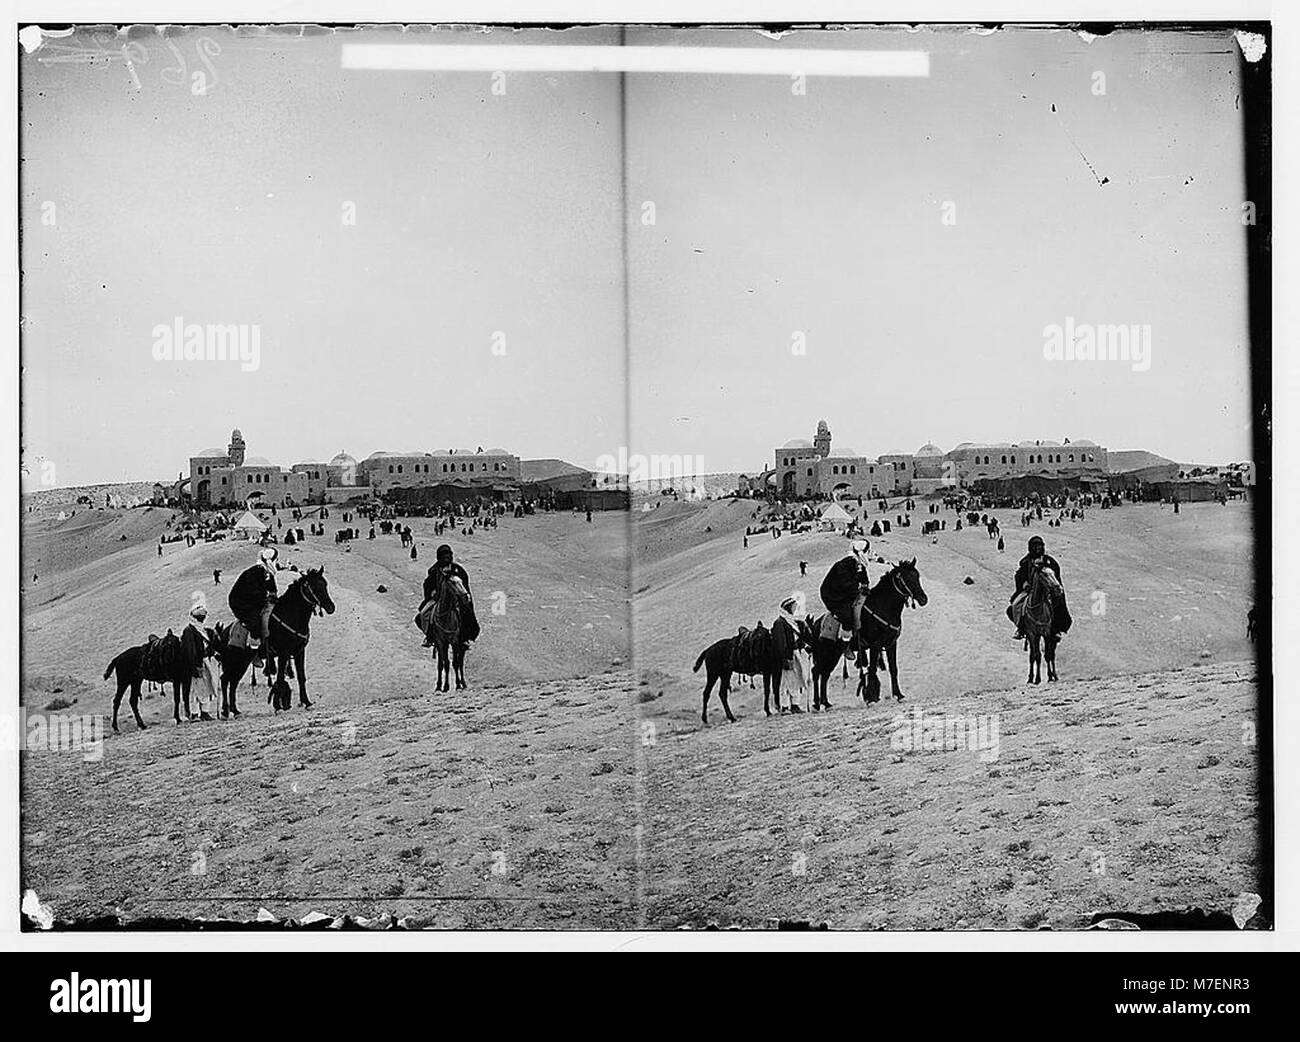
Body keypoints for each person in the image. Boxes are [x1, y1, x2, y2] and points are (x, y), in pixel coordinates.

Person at [228, 546, 298, 667]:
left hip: (256, 602)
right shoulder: (254, 572)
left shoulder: (268, 573)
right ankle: (253, 653)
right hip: (241, 603)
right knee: (255, 622)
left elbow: (272, 589)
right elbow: (252, 592)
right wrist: (266, 597)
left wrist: (273, 597)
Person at [819, 538, 872, 666]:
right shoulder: (845, 564)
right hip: (834, 596)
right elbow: (844, 584)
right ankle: (845, 645)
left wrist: (865, 586)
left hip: (849, 594)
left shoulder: (859, 564)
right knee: (847, 617)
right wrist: (858, 588)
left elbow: (864, 579)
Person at [1007, 535, 1071, 639]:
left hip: (1049, 591)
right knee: (1015, 605)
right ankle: (1021, 627)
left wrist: (1053, 587)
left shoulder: (1049, 561)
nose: (1037, 548)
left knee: (1058, 605)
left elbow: (1055, 576)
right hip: (1030, 590)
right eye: (1035, 546)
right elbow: (1019, 575)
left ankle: (1056, 629)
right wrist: (1024, 584)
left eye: (1040, 546)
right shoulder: (1026, 562)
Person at [421, 544, 478, 647]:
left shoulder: (458, 570)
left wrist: (463, 597)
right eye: (443, 555)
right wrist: (431, 592)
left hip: (457, 600)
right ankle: (429, 636)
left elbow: (464, 584)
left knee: (467, 614)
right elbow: (427, 585)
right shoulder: (434, 570)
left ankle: (465, 638)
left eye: (448, 555)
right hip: (438, 599)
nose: (446, 557)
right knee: (423, 614)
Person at [182, 604, 217, 721]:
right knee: (195, 690)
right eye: (200, 616)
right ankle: (194, 713)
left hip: (205, 661)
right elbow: (190, 651)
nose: (202, 618)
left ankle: (205, 712)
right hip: (196, 664)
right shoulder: (189, 631)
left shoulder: (202, 630)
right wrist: (194, 667)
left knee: (206, 687)